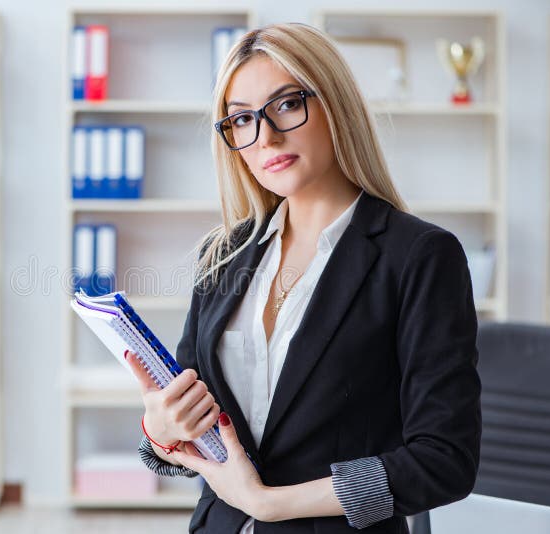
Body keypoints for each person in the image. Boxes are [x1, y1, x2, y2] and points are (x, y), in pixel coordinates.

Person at [125, 22, 481, 534]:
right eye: (242, 119)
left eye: (287, 105)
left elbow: (445, 459)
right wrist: (160, 432)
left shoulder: (420, 257)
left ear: (334, 102)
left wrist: (272, 503)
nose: (265, 136)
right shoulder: (224, 254)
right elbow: (188, 437)